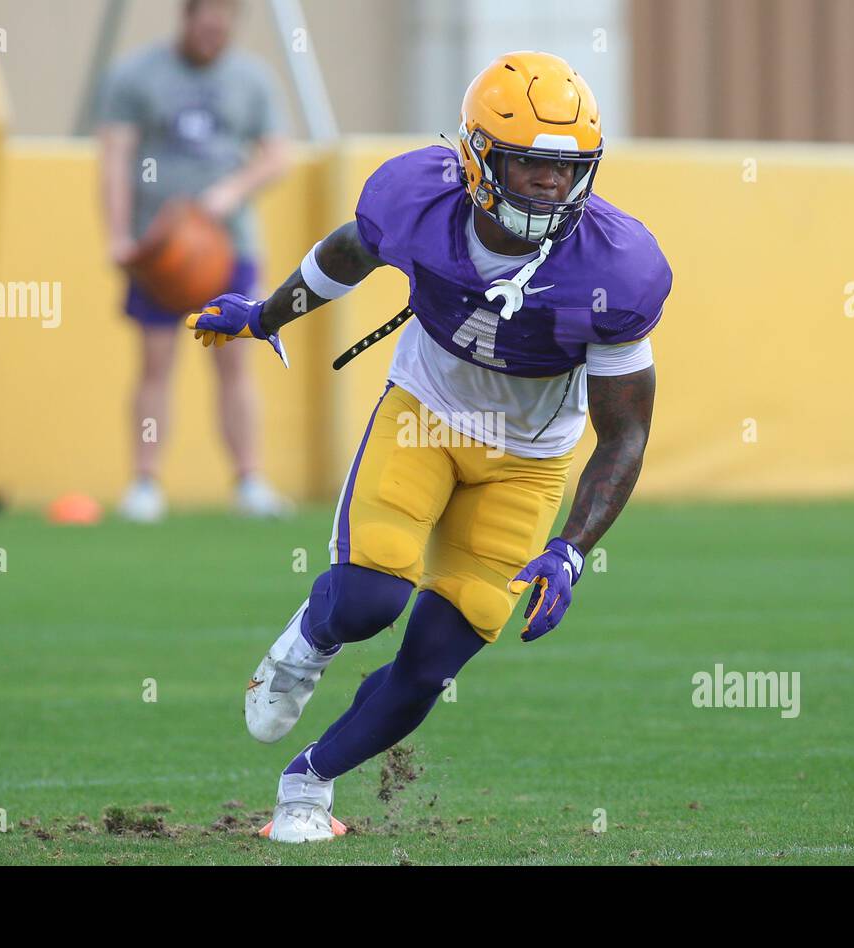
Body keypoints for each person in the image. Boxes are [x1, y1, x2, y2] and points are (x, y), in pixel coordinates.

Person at [187, 51, 672, 841]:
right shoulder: (419, 196)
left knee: (433, 662)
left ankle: (307, 784)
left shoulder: (616, 267)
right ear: (479, 158)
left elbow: (625, 433)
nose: (553, 188)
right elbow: (349, 252)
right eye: (532, 167)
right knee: (371, 598)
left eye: (569, 170)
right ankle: (306, 643)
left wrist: (573, 551)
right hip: (426, 417)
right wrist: (266, 317)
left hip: (529, 460)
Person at [98, 0, 292, 521]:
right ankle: (145, 483)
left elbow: (277, 156)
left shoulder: (252, 79)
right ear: (186, 17)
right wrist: (118, 236)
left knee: (235, 363)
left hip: (229, 249)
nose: (214, 33)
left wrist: (229, 192)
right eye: (206, 22)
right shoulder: (136, 75)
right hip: (159, 251)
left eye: (224, 25)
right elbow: (114, 158)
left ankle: (250, 480)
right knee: (155, 363)